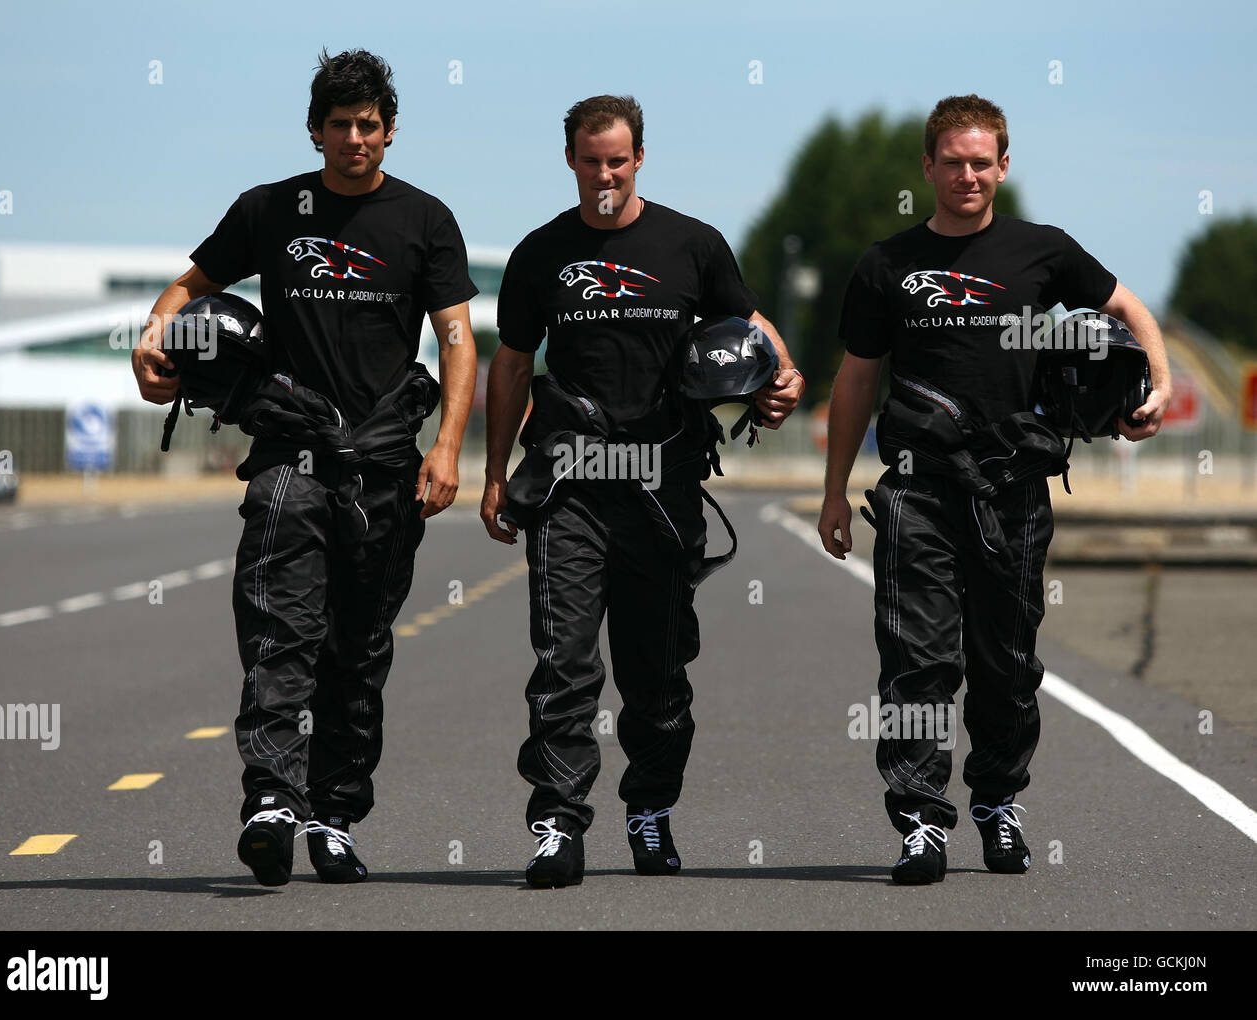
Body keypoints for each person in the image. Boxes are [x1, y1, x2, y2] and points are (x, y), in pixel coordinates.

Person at [131, 49, 478, 886]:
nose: (353, 138)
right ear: (315, 130)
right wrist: (151, 338)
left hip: (388, 465)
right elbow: (188, 285)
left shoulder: (425, 221)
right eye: (338, 125)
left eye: (368, 125)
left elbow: (460, 342)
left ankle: (335, 816)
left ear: (389, 131)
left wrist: (447, 446)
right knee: (279, 629)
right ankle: (270, 801)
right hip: (291, 453)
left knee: (358, 651)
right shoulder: (269, 210)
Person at [817, 94, 1171, 884]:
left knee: (1006, 664)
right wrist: (835, 490)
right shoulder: (887, 264)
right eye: (953, 161)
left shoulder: (1041, 253)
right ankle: (919, 821)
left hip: (1013, 492)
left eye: (982, 162)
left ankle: (997, 802)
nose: (968, 175)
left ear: (1003, 167)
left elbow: (1127, 307)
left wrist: (1158, 382)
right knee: (917, 663)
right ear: (928, 167)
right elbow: (856, 381)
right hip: (917, 492)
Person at [482, 95, 803, 888]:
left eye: (617, 160)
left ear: (640, 158)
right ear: (570, 161)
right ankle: (557, 823)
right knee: (563, 664)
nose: (604, 174)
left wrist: (785, 379)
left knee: (656, 674)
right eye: (590, 161)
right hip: (568, 490)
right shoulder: (541, 253)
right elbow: (512, 366)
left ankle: (650, 810)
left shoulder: (692, 244)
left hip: (663, 490)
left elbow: (754, 329)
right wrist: (493, 474)